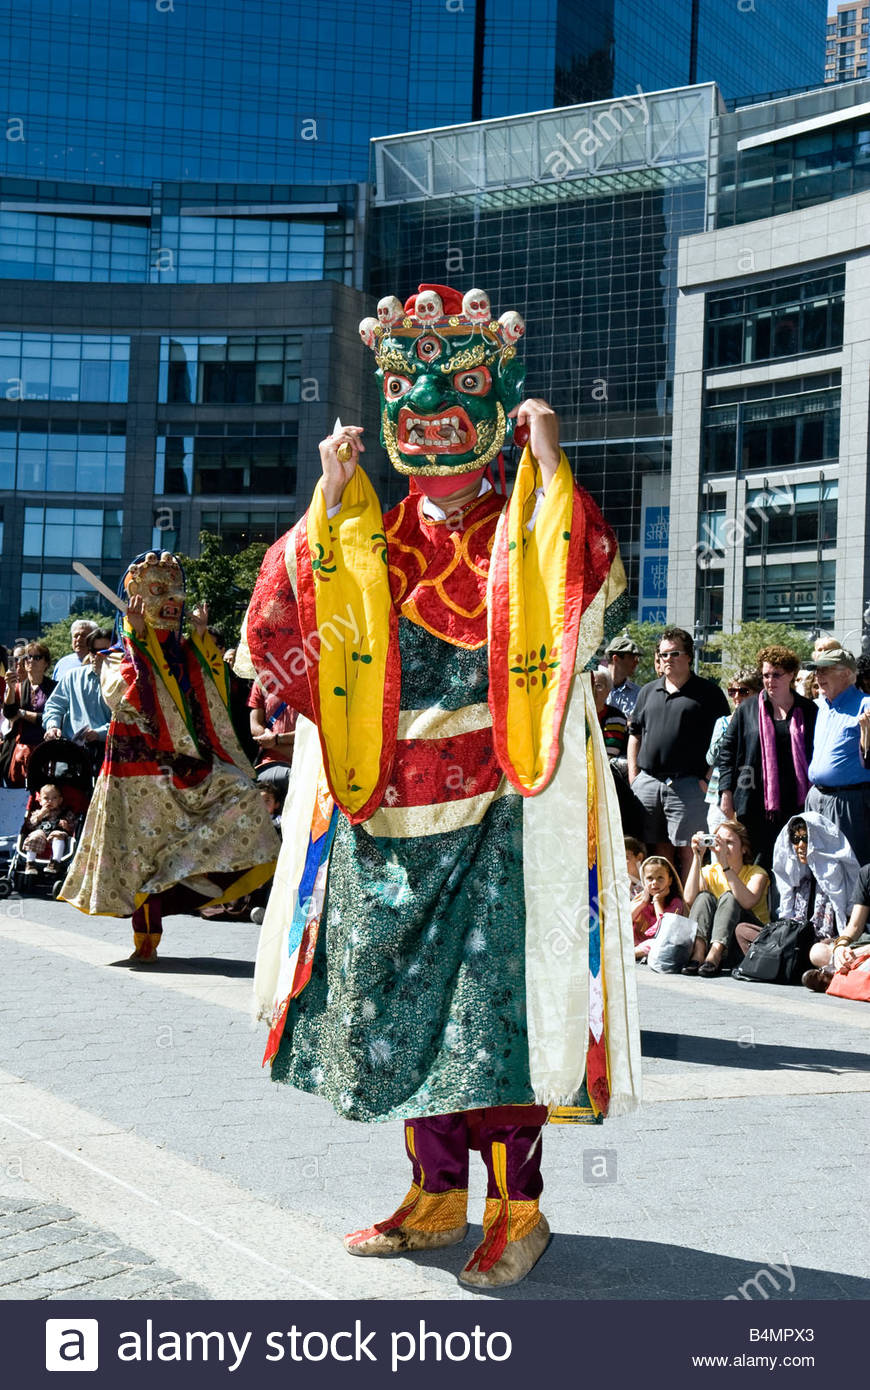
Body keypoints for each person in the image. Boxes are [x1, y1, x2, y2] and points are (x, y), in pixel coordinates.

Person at [243, 283, 641, 1289]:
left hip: (500, 811)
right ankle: (434, 1192)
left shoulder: (526, 524)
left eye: (459, 383)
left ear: (498, 398)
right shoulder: (369, 530)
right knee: (394, 1008)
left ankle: (518, 1206)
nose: (426, 409)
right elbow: (277, 640)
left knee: (492, 1019)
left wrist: (552, 469)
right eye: (404, 389)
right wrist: (324, 506)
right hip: (385, 809)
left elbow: (587, 606)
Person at [60, 552, 280, 961]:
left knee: (242, 794)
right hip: (134, 776)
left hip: (185, 767)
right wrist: (139, 638)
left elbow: (212, 701)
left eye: (177, 590)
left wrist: (200, 643)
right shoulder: (114, 658)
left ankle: (192, 883)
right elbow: (132, 700)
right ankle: (145, 939)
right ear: (137, 595)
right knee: (140, 852)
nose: (173, 600)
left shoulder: (185, 652)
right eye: (160, 590)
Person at [627, 627, 729, 879]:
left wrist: (707, 778)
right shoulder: (648, 691)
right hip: (648, 783)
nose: (667, 659)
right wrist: (634, 777)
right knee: (658, 853)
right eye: (662, 655)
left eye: (674, 653)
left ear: (689, 657)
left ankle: (688, 910)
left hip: (689, 785)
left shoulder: (709, 693)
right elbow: (635, 735)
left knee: (690, 851)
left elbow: (724, 741)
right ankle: (663, 910)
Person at [717, 646, 816, 873]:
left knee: (796, 864)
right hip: (753, 801)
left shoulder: (808, 710)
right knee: (757, 864)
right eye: (765, 675)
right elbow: (727, 751)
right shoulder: (748, 709)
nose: (770, 681)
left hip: (797, 802)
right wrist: (726, 791)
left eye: (776, 675)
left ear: (791, 675)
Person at [736, 812, 860, 963]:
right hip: (793, 938)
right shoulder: (795, 875)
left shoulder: (836, 874)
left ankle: (780, 965)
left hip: (822, 941)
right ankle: (780, 965)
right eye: (795, 839)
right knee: (742, 930)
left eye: (805, 838)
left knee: (820, 951)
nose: (800, 845)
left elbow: (847, 921)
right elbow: (786, 918)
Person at [804, 646, 870, 865]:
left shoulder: (866, 706)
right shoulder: (818, 707)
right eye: (816, 671)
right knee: (816, 871)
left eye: (824, 670)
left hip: (849, 804)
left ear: (845, 674)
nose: (818, 676)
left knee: (852, 869)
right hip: (816, 799)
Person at [682, 820, 769, 976]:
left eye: (729, 842)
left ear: (744, 848)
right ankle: (698, 952)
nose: (722, 847)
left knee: (729, 896)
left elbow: (748, 902)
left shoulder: (757, 873)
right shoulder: (710, 871)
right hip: (715, 940)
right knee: (703, 897)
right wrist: (697, 857)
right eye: (718, 841)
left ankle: (715, 954)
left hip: (743, 941)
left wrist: (725, 865)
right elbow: (689, 899)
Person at [43, 628, 113, 773]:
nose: (98, 656)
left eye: (104, 652)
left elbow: (126, 719)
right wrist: (52, 726)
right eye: (93, 651)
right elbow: (54, 706)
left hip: (109, 752)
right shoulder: (72, 677)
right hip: (72, 751)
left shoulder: (123, 680)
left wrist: (100, 733)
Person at [704, 667, 761, 834]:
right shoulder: (722, 722)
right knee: (719, 841)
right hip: (719, 794)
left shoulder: (762, 723)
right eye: (732, 691)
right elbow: (711, 758)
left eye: (743, 691)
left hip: (749, 790)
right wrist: (730, 727)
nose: (737, 697)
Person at [802, 860, 870, 992]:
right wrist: (840, 947)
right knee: (817, 952)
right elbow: (855, 926)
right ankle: (847, 976)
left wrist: (865, 951)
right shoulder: (867, 873)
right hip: (864, 945)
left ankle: (836, 978)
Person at [1, 642, 56, 786]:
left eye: (37, 657)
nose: (30, 661)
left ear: (46, 663)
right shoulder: (18, 687)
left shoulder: (55, 688)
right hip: (19, 752)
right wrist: (11, 689)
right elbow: (9, 713)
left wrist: (23, 713)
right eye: (27, 657)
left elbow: (53, 718)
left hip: (46, 751)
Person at [249, 676, 297, 794]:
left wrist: (275, 741)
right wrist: (272, 741)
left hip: (302, 760)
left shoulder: (311, 678)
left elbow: (312, 732)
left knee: (292, 779)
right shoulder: (262, 679)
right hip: (268, 764)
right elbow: (254, 726)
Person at [631, 856, 685, 961]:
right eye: (650, 878)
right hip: (635, 943)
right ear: (644, 880)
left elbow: (665, 931)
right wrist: (642, 903)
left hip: (661, 944)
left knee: (654, 943)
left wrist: (657, 901)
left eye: (660, 878)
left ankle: (629, 955)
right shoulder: (640, 898)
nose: (654, 882)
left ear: (669, 881)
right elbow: (623, 924)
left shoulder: (675, 902)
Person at [22, 783, 78, 876]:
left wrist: (67, 826)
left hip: (56, 832)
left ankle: (55, 862)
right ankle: (30, 863)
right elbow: (29, 826)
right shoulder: (37, 812)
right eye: (46, 798)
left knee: (58, 835)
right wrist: (40, 815)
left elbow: (73, 828)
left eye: (54, 798)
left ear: (60, 800)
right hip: (41, 833)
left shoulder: (66, 813)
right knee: (34, 836)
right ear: (40, 801)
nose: (50, 801)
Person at [592, 669, 629, 758]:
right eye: (589, 685)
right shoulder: (578, 716)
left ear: (608, 690)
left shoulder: (618, 718)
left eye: (598, 686)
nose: (593, 690)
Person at [604, 632, 641, 716]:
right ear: (616, 659)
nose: (636, 662)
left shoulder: (639, 694)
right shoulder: (593, 688)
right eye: (632, 657)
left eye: (637, 658)